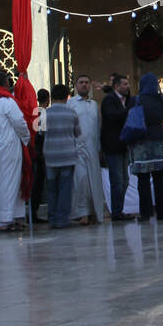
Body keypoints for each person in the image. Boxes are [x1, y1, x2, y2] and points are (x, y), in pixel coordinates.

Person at [0, 67, 30, 231]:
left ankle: (5, 217)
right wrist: (27, 139)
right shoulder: (8, 102)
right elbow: (20, 123)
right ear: (6, 83)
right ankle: (5, 220)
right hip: (8, 148)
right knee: (8, 182)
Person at [130, 72, 163, 221]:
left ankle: (146, 213)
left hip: (141, 142)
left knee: (143, 180)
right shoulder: (161, 100)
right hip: (159, 139)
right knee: (160, 178)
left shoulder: (136, 100)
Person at [42, 84, 81, 228]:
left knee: (52, 188)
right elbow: (77, 132)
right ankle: (62, 219)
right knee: (65, 188)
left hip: (51, 156)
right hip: (68, 155)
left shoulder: (44, 113)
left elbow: (38, 132)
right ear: (67, 97)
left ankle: (52, 219)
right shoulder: (72, 113)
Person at [68, 74, 105, 225]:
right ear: (76, 86)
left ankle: (95, 212)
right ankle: (83, 214)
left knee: (94, 182)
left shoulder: (94, 105)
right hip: (77, 149)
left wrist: (99, 148)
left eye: (86, 82)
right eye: (81, 82)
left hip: (93, 149)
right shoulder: (71, 104)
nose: (84, 85)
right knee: (81, 181)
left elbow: (97, 128)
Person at [100, 73, 133, 221]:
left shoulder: (125, 101)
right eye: (125, 84)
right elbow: (112, 116)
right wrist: (128, 112)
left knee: (124, 180)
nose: (128, 87)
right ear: (117, 86)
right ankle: (116, 211)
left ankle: (119, 209)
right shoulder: (109, 100)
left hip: (123, 145)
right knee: (117, 180)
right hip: (113, 145)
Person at [31, 88, 50, 223]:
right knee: (38, 184)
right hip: (41, 154)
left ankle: (33, 212)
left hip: (36, 153)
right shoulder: (43, 113)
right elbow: (41, 133)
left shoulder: (34, 111)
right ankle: (34, 212)